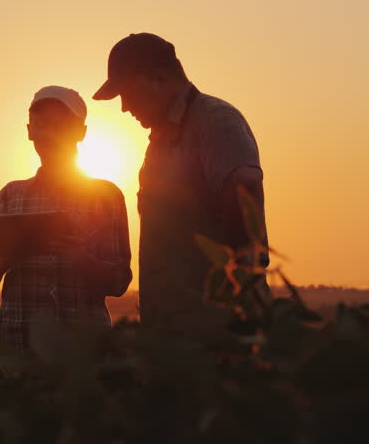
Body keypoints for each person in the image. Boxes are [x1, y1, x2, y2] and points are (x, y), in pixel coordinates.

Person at [93, 33, 269, 326]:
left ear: (159, 79)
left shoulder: (216, 121)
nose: (124, 107)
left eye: (127, 93)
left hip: (214, 329)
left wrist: (240, 309)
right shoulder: (159, 141)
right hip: (174, 330)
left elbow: (245, 202)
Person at [0, 86, 132, 355]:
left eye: (60, 124)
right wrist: (7, 257)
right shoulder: (11, 195)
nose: (49, 133)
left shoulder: (106, 196)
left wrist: (82, 260)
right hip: (15, 348)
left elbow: (119, 281)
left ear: (81, 132)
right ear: (30, 131)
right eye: (42, 124)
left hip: (82, 354)